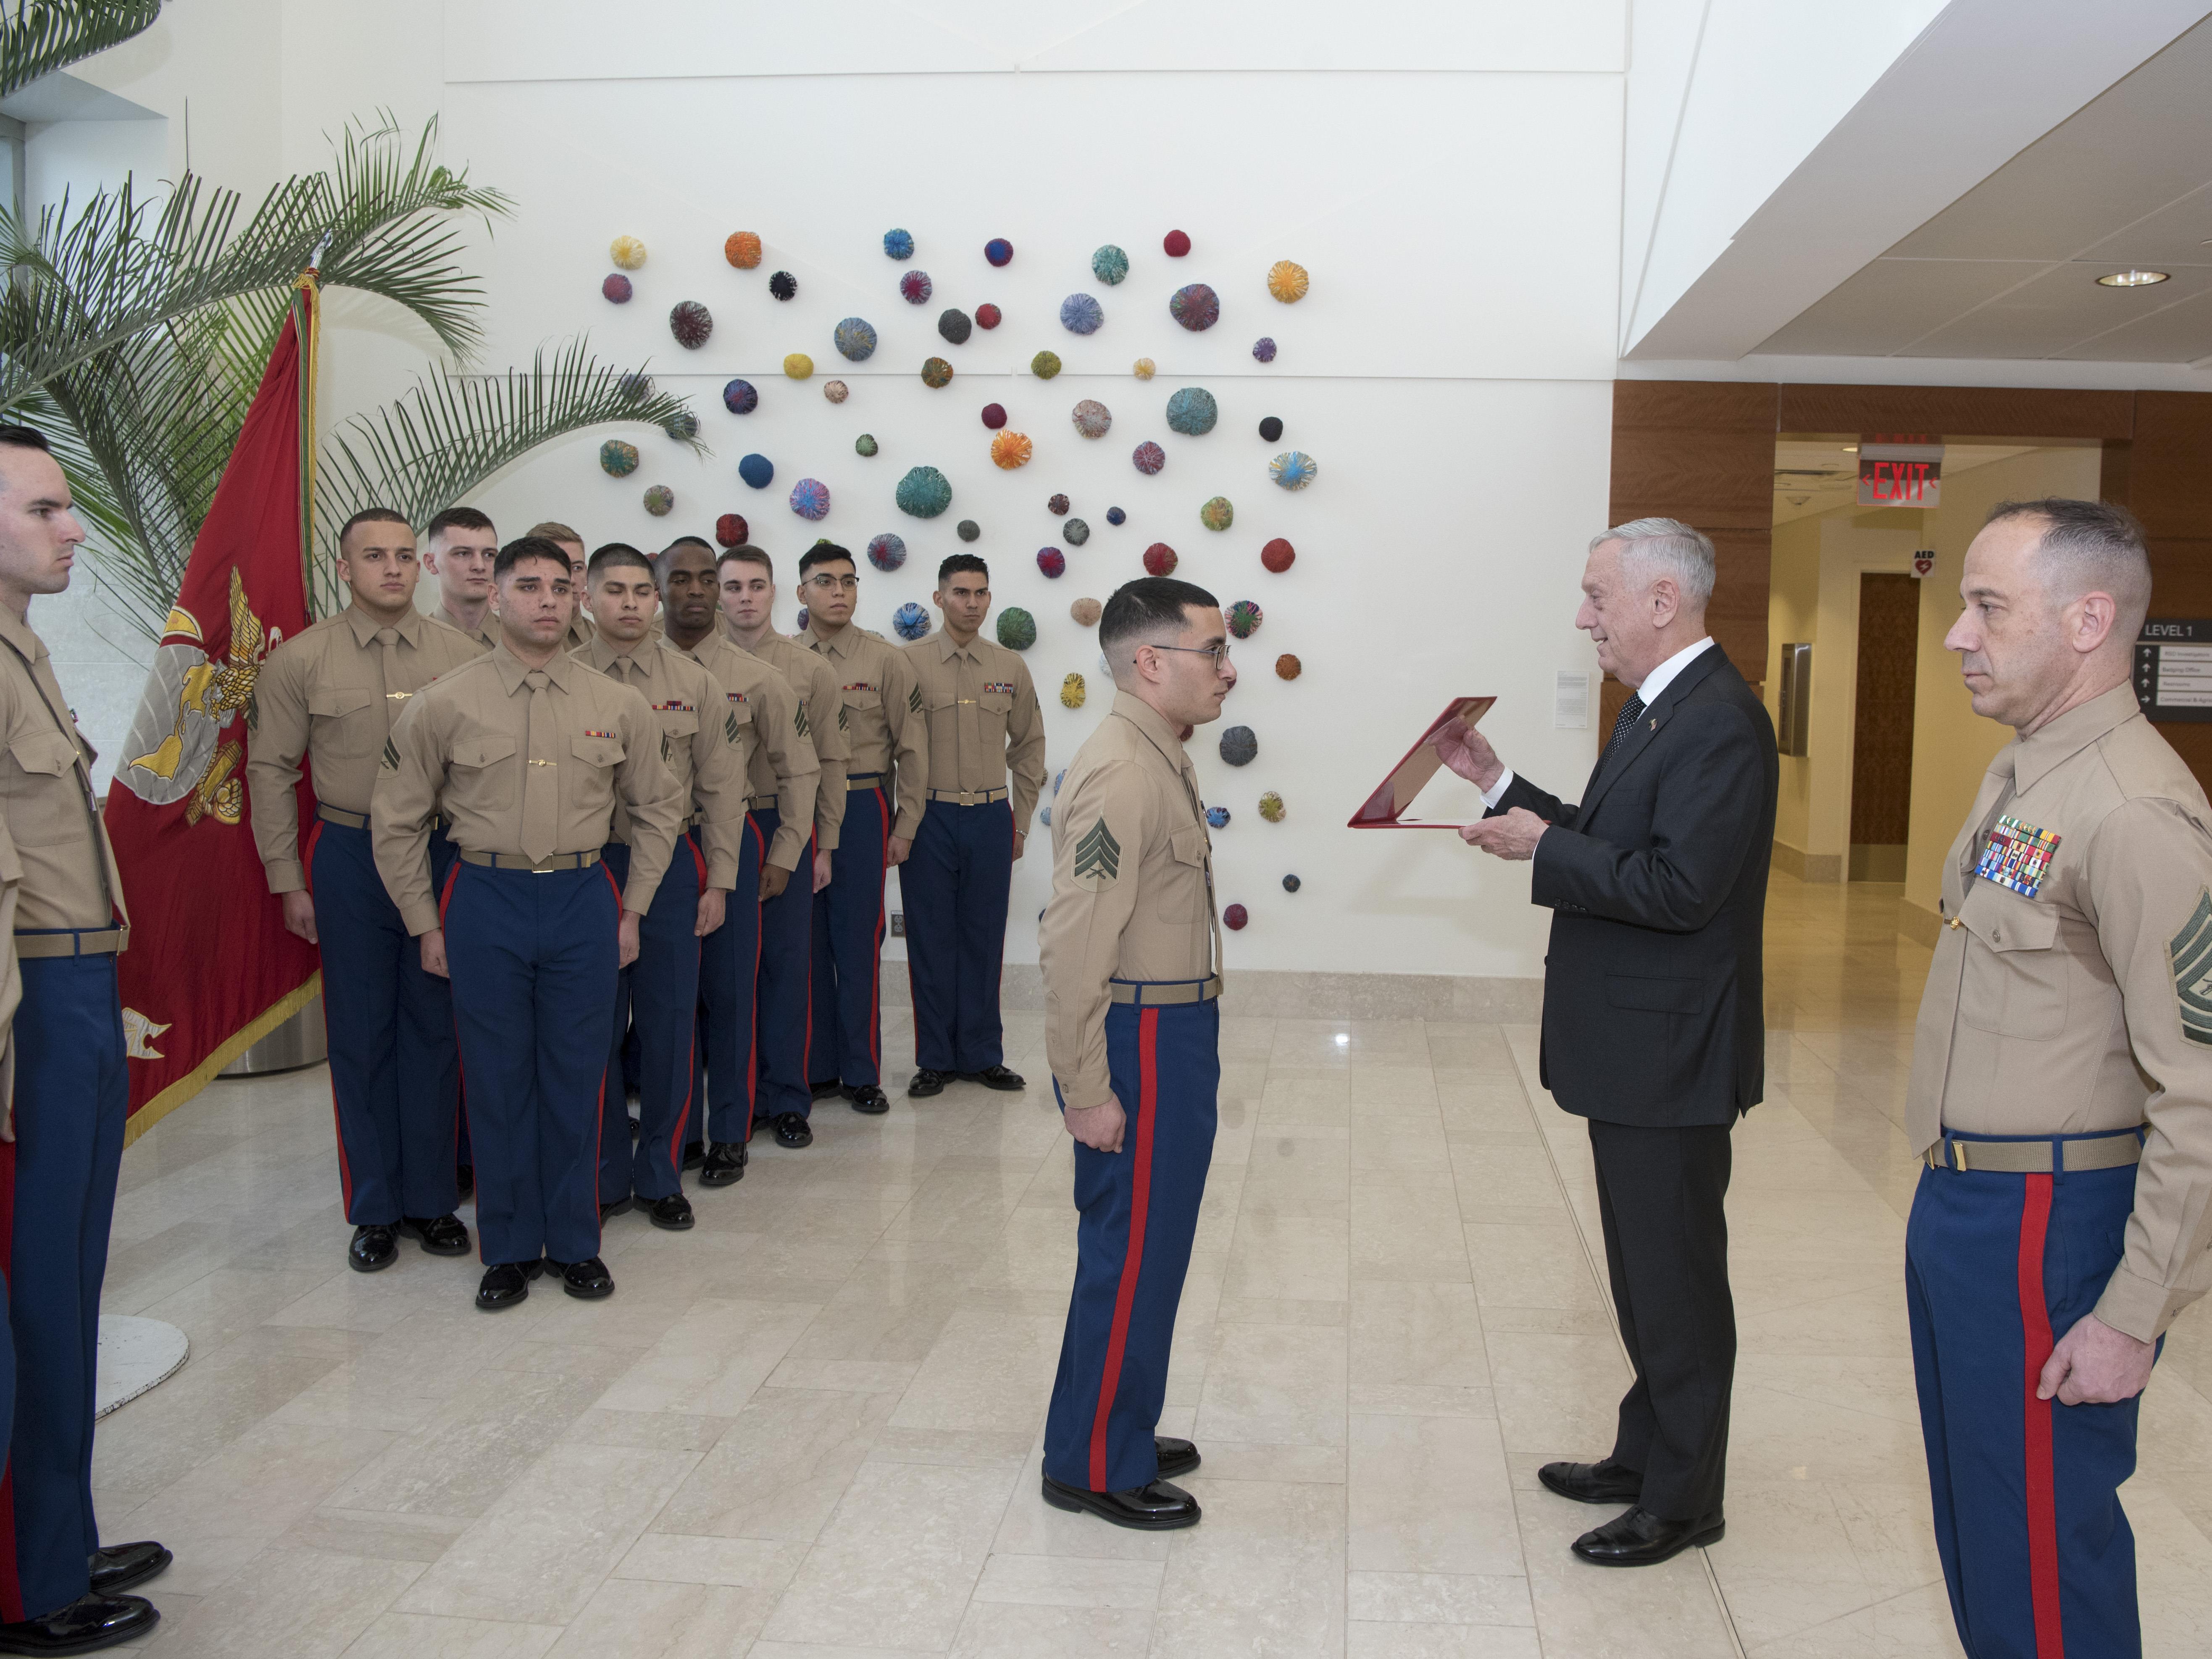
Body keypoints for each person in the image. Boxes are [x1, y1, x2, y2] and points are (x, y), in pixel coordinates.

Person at [1903, 499, 2212, 1657]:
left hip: (2049, 1219)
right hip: (1969, 1203)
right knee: (1986, 1524)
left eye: (1988, 606)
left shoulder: (2136, 810)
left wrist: (2133, 1314)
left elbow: (2203, 1087)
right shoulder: (2028, 772)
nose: (1957, 635)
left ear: (2089, 619)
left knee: (2040, 1537)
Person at [1437, 516, 1776, 1568]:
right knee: (1642, 1272)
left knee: (1674, 1278)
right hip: (1636, 1048)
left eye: (1597, 596)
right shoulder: (1658, 710)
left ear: (1662, 601)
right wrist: (1504, 788)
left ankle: (1685, 1498)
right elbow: (1611, 836)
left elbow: (1679, 890)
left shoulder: (1719, 720)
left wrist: (1542, 849)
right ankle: (1646, 1451)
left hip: (1672, 1054)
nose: (1583, 617)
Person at [372, 536, 681, 1311]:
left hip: (585, 897)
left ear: (576, 597)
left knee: (580, 1076)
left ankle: (576, 1242)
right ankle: (507, 1248)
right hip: (485, 896)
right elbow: (397, 818)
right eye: (529, 585)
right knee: (498, 1077)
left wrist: (634, 905)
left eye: (559, 586)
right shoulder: (446, 700)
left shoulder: (617, 703)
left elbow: (658, 809)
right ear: (498, 595)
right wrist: (424, 921)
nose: (547, 599)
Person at [0, 424, 165, 1652]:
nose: (72, 528)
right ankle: (27, 1576)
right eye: (47, 508)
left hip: (73, 986)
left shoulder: (26, 652)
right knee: (32, 1290)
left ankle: (60, 1526)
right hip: (27, 1009)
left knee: (69, 1282)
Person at [1038, 577, 1233, 1531]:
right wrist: (1085, 1085)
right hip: (1140, 1035)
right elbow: (1074, 938)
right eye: (1215, 651)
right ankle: (1092, 1464)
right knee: (1129, 1250)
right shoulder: (1123, 769)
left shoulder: (1158, 752)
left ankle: (1112, 1418)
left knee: (1149, 1252)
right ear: (1151, 662)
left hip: (1174, 1028)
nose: (1229, 671)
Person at [246, 507, 480, 1272]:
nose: (392, 568)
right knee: (361, 1033)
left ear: (424, 567)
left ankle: (432, 1199)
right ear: (344, 568)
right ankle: (375, 1207)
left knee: (436, 1029)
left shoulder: (463, 655)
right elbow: (271, 772)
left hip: (442, 851)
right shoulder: (300, 661)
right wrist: (288, 878)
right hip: (348, 854)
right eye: (374, 556)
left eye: (406, 556)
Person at [572, 544, 747, 1230]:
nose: (629, 604)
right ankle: (606, 1167)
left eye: (641, 592)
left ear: (657, 600)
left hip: (674, 863)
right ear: (588, 597)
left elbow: (723, 788)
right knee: (594, 1027)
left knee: (672, 1022)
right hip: (587, 866)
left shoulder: (694, 681)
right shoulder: (564, 677)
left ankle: (662, 1169)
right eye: (613, 590)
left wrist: (720, 880)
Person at [657, 537, 817, 1186]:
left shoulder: (760, 679)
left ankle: (729, 1132)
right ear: (659, 585)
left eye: (706, 578)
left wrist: (783, 852)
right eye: (684, 579)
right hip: (655, 849)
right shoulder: (613, 674)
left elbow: (799, 769)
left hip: (734, 837)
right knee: (667, 1003)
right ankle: (675, 1134)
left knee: (729, 996)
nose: (696, 591)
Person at [718, 545, 848, 1147]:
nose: (746, 597)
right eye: (734, 586)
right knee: (723, 978)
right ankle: (732, 1103)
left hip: (783, 827)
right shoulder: (693, 667)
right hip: (717, 829)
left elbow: (828, 762)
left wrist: (820, 845)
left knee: (786, 968)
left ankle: (787, 1097)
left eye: (757, 586)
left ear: (776, 593)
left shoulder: (808, 670)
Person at [901, 554, 1046, 1098]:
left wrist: (1022, 822)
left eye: (980, 593)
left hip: (990, 816)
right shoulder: (908, 663)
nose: (971, 603)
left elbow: (1030, 748)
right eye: (960, 593)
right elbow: (898, 747)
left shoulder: (1009, 666)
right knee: (930, 936)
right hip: (929, 817)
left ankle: (983, 1054)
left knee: (984, 939)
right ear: (939, 598)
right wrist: (904, 821)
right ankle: (935, 1058)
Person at [797, 541, 925, 1116]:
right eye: (825, 582)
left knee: (857, 943)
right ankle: (814, 1067)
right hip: (795, 813)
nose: (839, 592)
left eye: (848, 582)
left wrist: (906, 822)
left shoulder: (884, 660)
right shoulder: (781, 660)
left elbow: (913, 748)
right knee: (802, 945)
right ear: (801, 592)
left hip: (860, 807)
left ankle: (860, 1069)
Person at [421, 506, 500, 652]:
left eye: (489, 555)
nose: (479, 566)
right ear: (431, 563)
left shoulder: (523, 640)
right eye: (463, 554)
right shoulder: (414, 644)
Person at [529, 520, 597, 649]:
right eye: (558, 567)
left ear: (587, 574)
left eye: (577, 568)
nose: (571, 580)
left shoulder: (605, 641)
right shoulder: (512, 640)